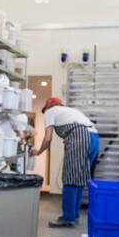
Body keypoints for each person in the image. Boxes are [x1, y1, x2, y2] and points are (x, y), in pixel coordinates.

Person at [31, 97, 100, 228]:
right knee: (79, 180)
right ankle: (74, 216)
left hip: (80, 137)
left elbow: (48, 138)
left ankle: (67, 218)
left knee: (70, 179)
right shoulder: (69, 110)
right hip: (94, 137)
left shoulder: (50, 111)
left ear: (47, 106)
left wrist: (39, 151)